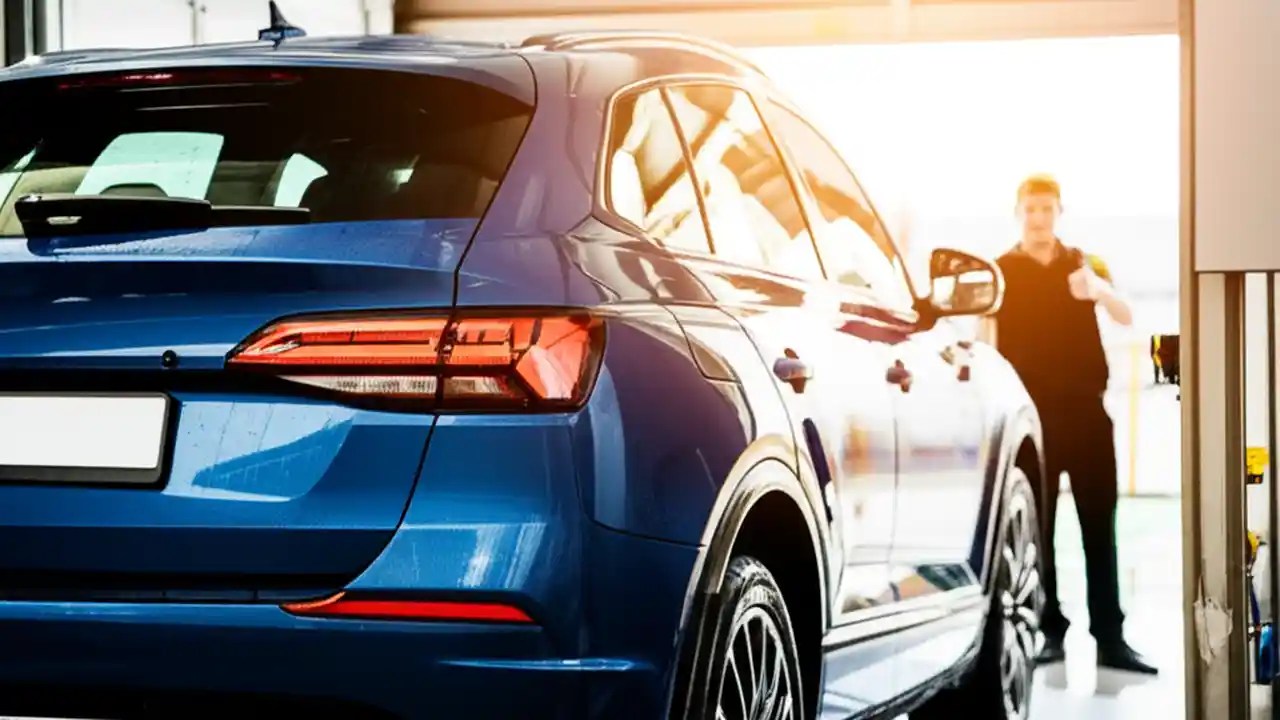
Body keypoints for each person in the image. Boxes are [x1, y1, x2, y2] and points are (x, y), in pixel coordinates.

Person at [980, 173, 1157, 674]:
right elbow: (986, 339)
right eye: (1031, 210)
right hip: (1033, 420)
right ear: (1019, 213)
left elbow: (1125, 315)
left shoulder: (1085, 262)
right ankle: (1049, 631)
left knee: (1100, 527)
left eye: (1047, 209)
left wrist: (1096, 290)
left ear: (1060, 211)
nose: (1039, 219)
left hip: (1087, 413)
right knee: (1039, 531)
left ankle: (1110, 637)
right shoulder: (1002, 270)